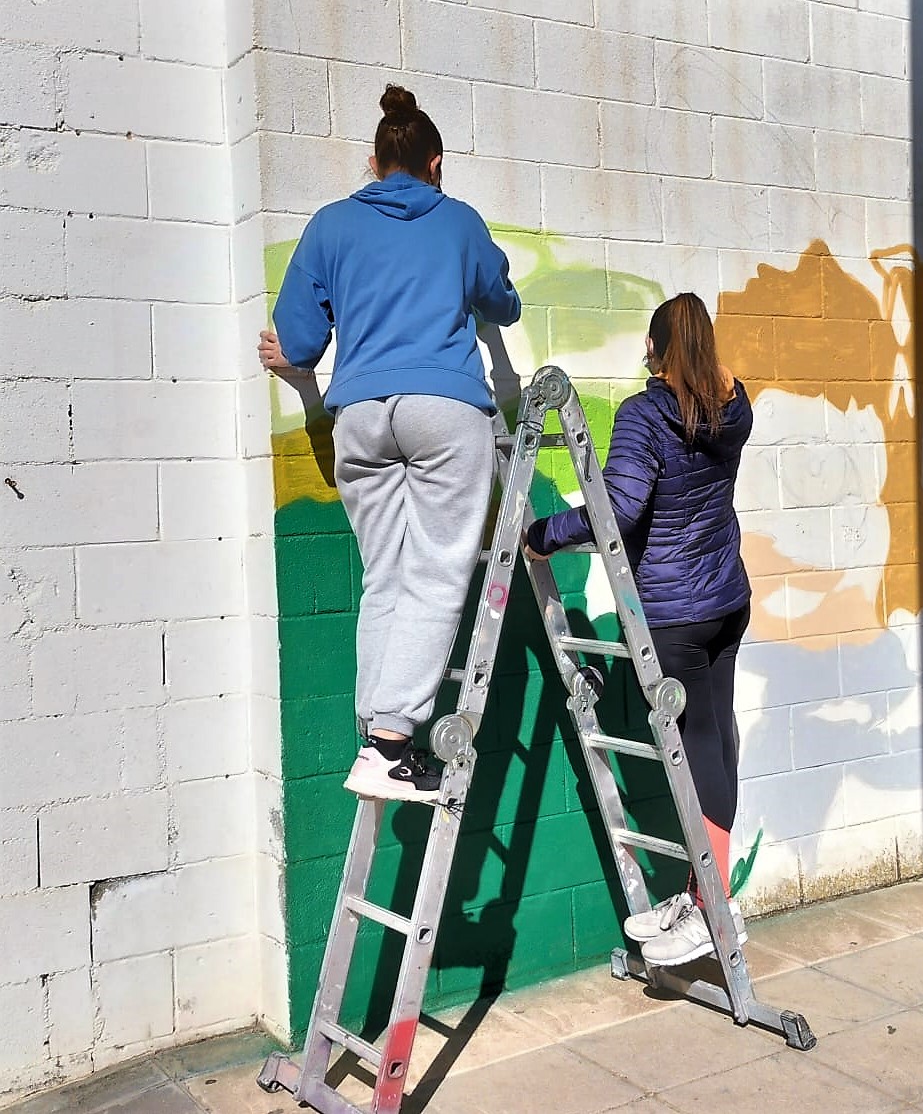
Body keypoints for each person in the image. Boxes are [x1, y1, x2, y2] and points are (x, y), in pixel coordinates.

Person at [259, 85, 521, 804]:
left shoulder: (331, 225)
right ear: (435, 163)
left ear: (374, 162)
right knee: (437, 575)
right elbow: (504, 300)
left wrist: (290, 361)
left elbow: (302, 342)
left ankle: (374, 735)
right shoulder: (458, 221)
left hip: (360, 416)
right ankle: (392, 745)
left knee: (386, 577)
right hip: (443, 410)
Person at [523, 293, 754, 968]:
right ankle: (704, 897)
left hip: (677, 615)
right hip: (726, 602)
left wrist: (543, 534)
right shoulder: (735, 409)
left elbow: (616, 512)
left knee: (700, 754)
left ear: (653, 350)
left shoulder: (646, 414)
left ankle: (713, 908)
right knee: (717, 742)